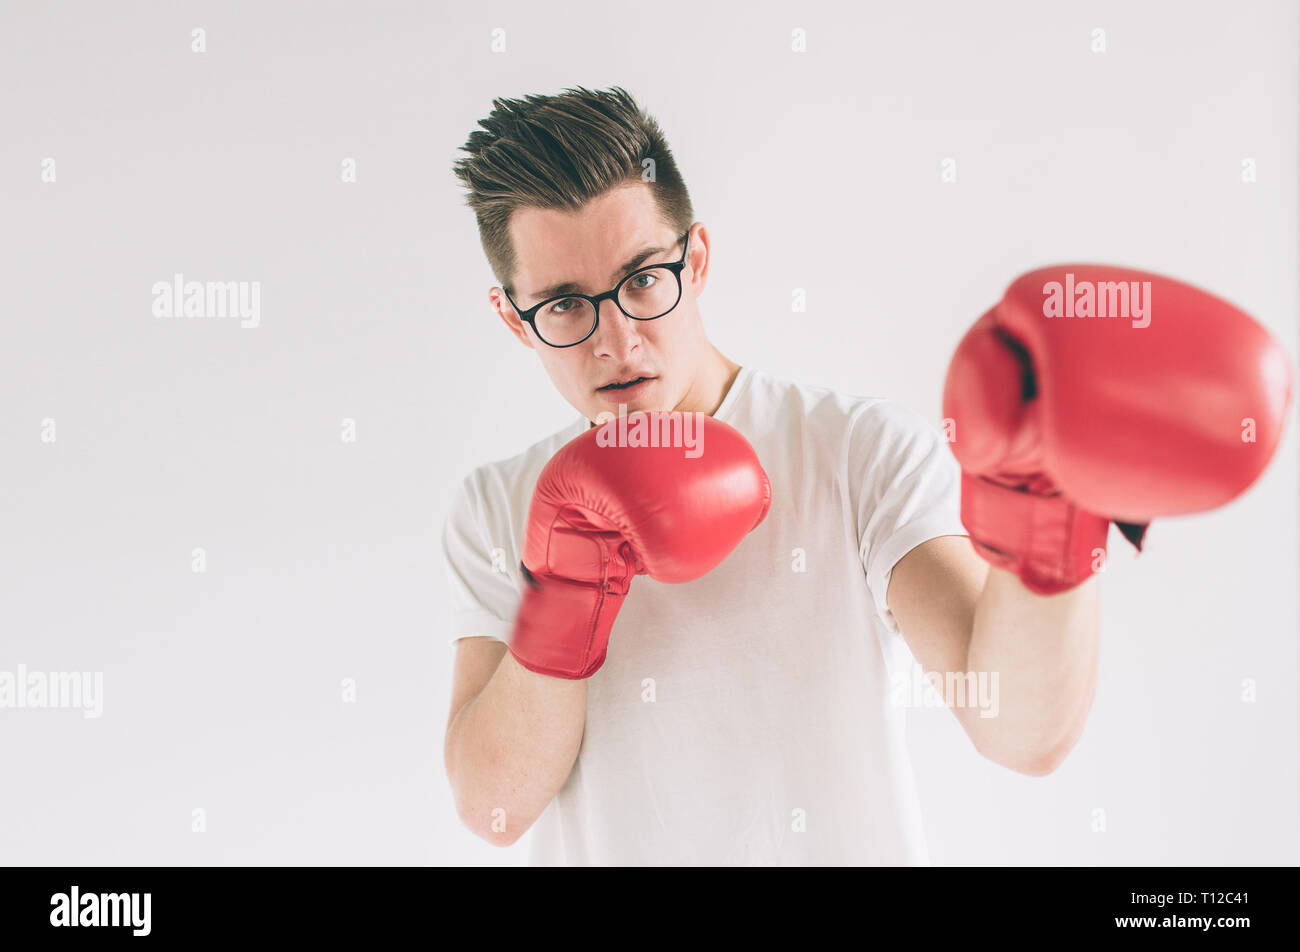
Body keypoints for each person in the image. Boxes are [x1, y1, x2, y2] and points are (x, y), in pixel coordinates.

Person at [440, 86, 1290, 866]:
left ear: (696, 260)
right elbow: (495, 811)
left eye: (643, 280)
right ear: (513, 320)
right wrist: (561, 597)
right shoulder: (499, 504)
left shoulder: (852, 450)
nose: (617, 338)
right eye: (563, 304)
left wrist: (1054, 507)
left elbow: (1016, 729)